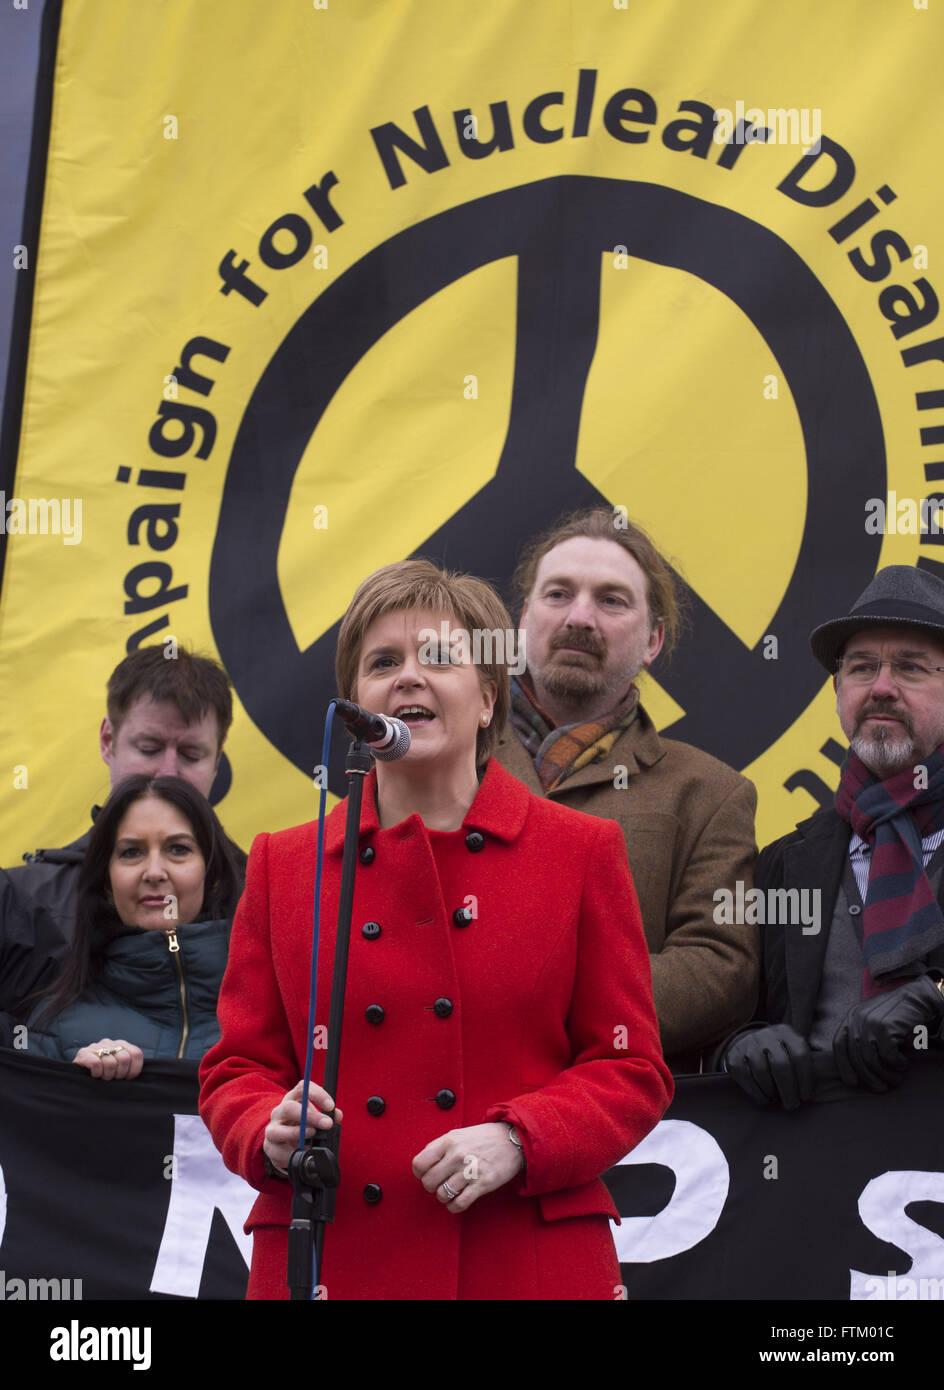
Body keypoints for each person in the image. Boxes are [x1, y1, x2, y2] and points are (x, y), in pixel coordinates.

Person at [199, 559, 672, 1301]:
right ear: (356, 704)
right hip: (334, 1258)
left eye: (440, 659)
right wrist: (266, 1125)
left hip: (519, 1261)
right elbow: (235, 1068)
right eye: (382, 662)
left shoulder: (580, 853)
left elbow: (631, 1069)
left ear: (487, 699)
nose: (408, 677)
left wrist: (521, 1137)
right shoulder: (283, 864)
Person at [496, 508, 758, 1070]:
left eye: (612, 600)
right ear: (523, 619)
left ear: (653, 641)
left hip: (612, 1122)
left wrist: (552, 1006)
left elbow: (719, 966)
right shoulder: (436, 761)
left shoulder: (710, 793)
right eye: (558, 594)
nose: (580, 618)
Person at [721, 566, 944, 1109]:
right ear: (838, 691)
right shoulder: (781, 864)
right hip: (825, 1171)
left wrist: (935, 996)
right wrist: (742, 1045)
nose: (882, 688)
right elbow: (741, 1018)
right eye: (862, 667)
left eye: (910, 668)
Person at [1, 645, 244, 1028]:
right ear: (107, 741)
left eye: (191, 754)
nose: (166, 772)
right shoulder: (22, 903)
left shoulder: (266, 902)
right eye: (148, 748)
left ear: (218, 759)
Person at [21, 774, 242, 1073]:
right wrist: (75, 1089)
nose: (153, 872)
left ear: (211, 873)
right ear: (107, 881)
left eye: (178, 849)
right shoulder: (52, 1025)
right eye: (131, 852)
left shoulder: (281, 1017)